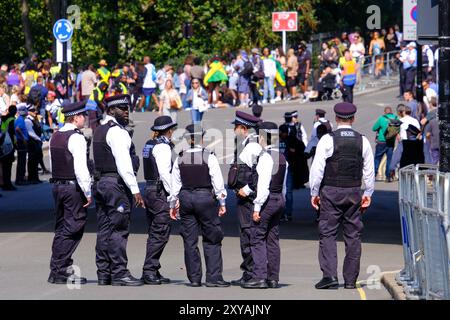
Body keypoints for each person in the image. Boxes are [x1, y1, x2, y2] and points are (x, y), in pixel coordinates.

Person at [310, 102, 374, 290]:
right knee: (353, 235)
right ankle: (350, 280)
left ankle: (329, 276)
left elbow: (317, 170)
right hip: (354, 191)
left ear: (336, 118)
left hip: (331, 191)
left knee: (328, 233)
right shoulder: (363, 141)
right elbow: (369, 171)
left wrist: (314, 192)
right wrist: (368, 193)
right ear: (353, 119)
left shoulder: (327, 140)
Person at [92, 94, 145, 286]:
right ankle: (119, 272)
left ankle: (104, 272)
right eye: (122, 108)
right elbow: (124, 163)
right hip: (115, 185)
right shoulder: (118, 132)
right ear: (111, 110)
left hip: (101, 184)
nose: (126, 111)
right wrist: (135, 190)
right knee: (118, 230)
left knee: (104, 229)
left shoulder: (99, 130)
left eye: (127, 108)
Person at [169, 124, 230, 287]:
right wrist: (222, 201)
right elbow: (217, 181)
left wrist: (172, 204)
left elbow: (175, 184)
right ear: (202, 138)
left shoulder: (180, 157)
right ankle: (214, 277)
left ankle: (194, 278)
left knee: (189, 240)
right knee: (212, 237)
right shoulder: (208, 156)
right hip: (205, 199)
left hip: (186, 198)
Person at [47, 101, 92, 285]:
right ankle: (61, 269)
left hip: (57, 185)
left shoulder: (55, 136)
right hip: (72, 187)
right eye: (83, 116)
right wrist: (87, 191)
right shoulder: (76, 138)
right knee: (73, 228)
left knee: (61, 228)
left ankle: (57, 268)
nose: (85, 119)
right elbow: (81, 168)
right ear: (76, 118)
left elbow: (52, 163)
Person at [241, 121, 287, 289]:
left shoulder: (265, 157)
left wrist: (257, 207)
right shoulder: (282, 157)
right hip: (278, 199)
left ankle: (259, 276)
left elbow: (263, 185)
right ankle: (273, 277)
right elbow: (283, 185)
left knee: (257, 237)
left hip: (267, 200)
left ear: (262, 137)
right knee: (273, 239)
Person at [141, 115, 177, 285]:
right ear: (169, 130)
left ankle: (153, 268)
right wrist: (173, 195)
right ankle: (149, 270)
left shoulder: (149, 144)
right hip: (158, 191)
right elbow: (165, 173)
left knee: (154, 231)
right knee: (161, 232)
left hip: (149, 189)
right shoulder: (163, 147)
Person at [227, 111, 261, 286]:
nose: (234, 130)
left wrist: (247, 190)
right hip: (243, 199)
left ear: (244, 128)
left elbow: (259, 174)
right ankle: (248, 271)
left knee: (248, 234)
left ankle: (253, 272)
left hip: (248, 199)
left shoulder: (253, 147)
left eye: (236, 127)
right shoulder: (246, 144)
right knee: (245, 234)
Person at [372, 106, 399, 182]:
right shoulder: (396, 118)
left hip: (381, 141)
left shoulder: (382, 118)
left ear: (385, 112)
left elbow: (374, 128)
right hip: (391, 142)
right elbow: (398, 130)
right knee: (389, 159)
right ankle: (388, 176)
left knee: (377, 158)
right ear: (391, 112)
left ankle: (374, 175)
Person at [0, 105, 17, 191]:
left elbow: (3, 130)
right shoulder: (12, 120)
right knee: (8, 166)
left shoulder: (3, 119)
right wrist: (15, 145)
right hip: (9, 144)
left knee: (4, 165)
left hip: (3, 143)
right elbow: (12, 133)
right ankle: (8, 184)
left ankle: (5, 183)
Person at [14, 104, 29, 185]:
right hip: (21, 142)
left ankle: (20, 178)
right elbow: (17, 129)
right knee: (22, 161)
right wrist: (23, 138)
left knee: (22, 161)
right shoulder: (20, 119)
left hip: (20, 142)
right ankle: (20, 179)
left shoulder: (20, 119)